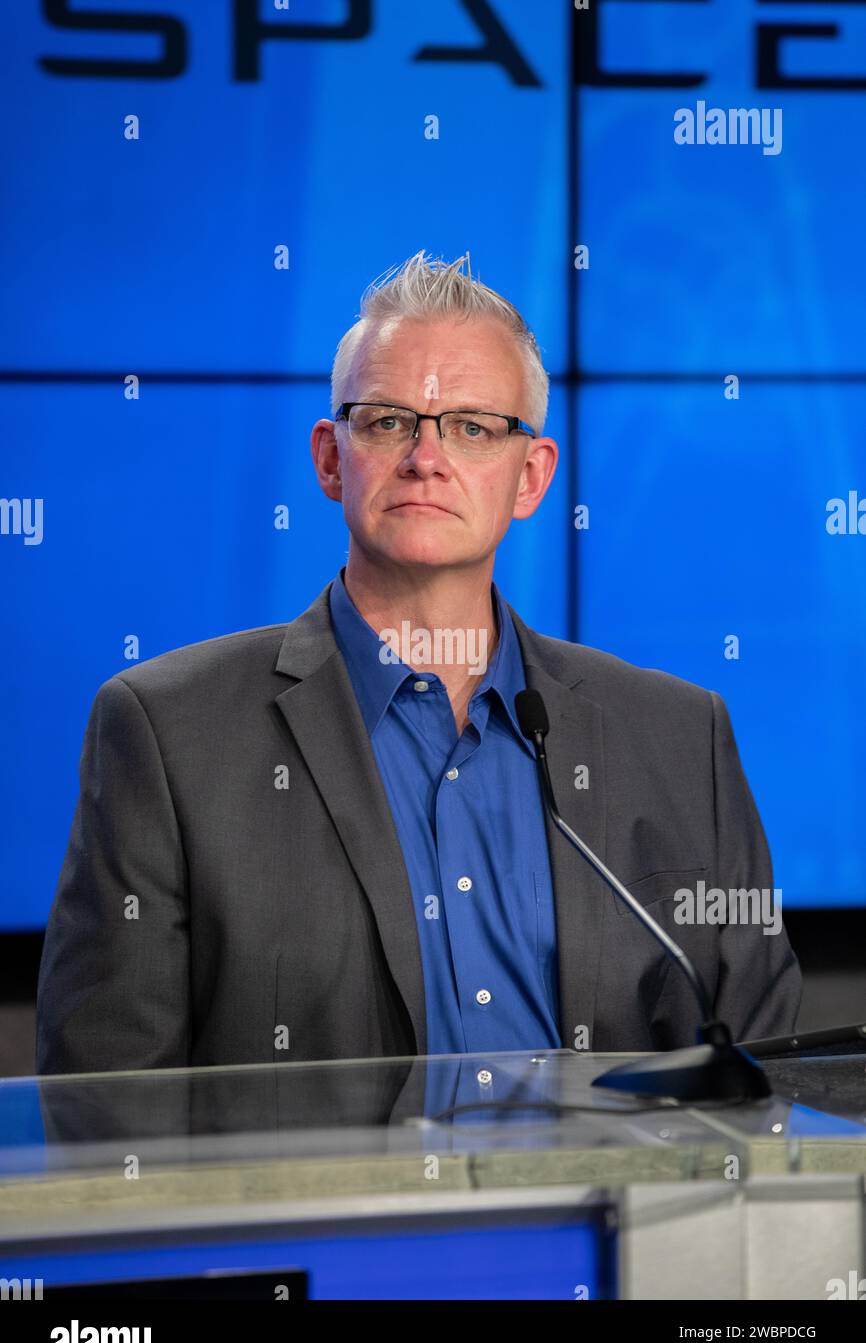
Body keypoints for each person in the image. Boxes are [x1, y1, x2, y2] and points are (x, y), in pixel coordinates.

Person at [36, 250, 801, 1074]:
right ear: (331, 459)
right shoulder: (167, 734)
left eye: (472, 427)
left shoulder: (682, 739)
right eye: (388, 421)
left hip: (614, 1202)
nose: (426, 458)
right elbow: (107, 1111)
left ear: (531, 478)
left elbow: (765, 1081)